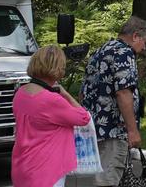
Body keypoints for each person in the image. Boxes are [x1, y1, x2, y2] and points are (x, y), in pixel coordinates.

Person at [72, 16, 146, 187]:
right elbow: (123, 92)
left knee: (104, 176)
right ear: (135, 36)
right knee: (108, 179)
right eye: (144, 41)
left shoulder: (101, 50)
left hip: (97, 129)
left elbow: (82, 93)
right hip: (114, 129)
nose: (144, 47)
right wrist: (132, 130)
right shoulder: (124, 52)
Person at [12, 45, 93, 187]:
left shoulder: (20, 94)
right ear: (57, 68)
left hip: (22, 165)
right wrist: (65, 94)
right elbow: (83, 117)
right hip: (47, 169)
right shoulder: (51, 100)